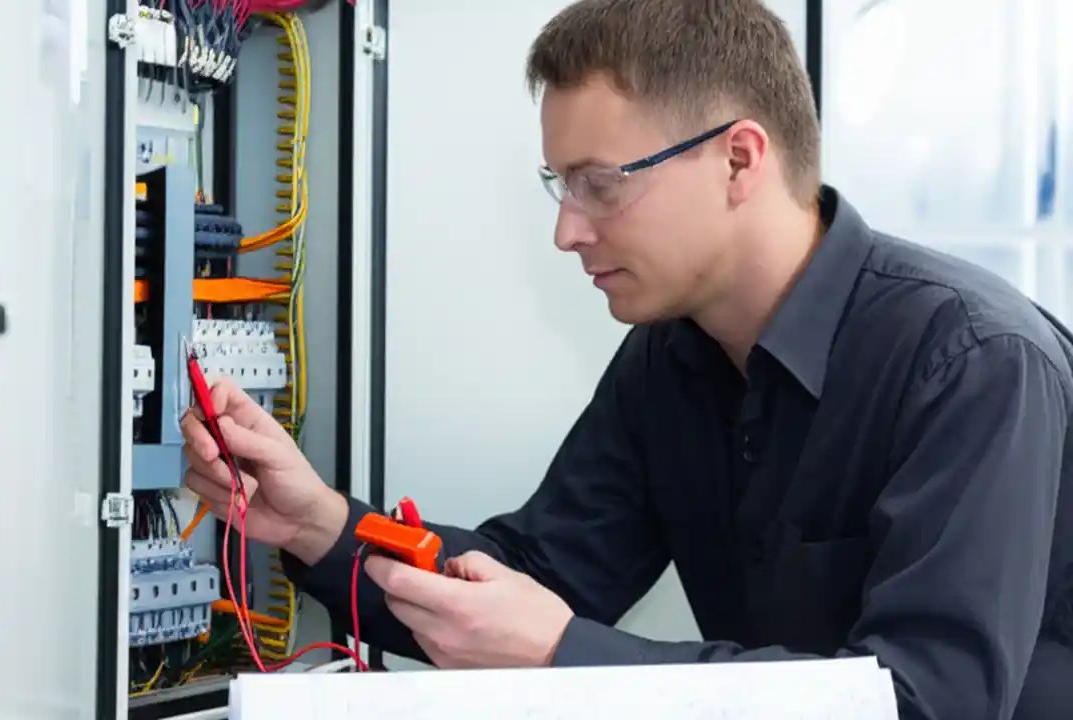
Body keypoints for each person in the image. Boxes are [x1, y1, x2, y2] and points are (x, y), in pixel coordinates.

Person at [181, 0, 1072, 718]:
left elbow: (929, 701)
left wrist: (558, 651)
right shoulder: (670, 360)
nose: (568, 230)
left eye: (600, 185)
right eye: (560, 187)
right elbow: (539, 580)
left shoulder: (971, 362)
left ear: (739, 158)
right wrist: (318, 526)